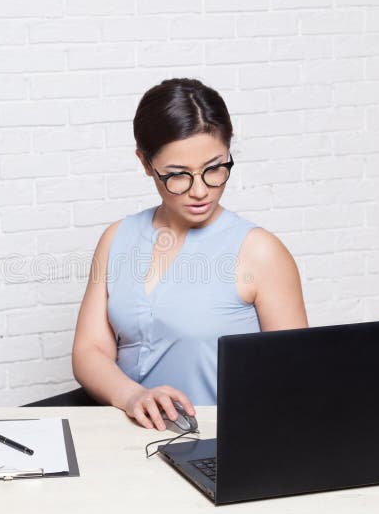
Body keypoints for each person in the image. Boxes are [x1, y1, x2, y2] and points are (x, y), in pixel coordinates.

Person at [29, 78, 308, 429]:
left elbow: (295, 376)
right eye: (178, 175)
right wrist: (132, 396)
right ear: (145, 164)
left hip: (219, 444)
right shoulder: (117, 239)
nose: (200, 191)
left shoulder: (260, 252)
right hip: (128, 438)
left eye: (214, 168)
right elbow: (90, 351)